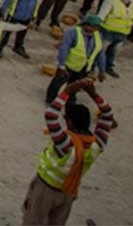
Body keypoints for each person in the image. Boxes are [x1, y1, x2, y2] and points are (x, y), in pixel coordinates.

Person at [21, 79, 114, 225]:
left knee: (33, 221)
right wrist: (94, 94)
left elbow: (51, 115)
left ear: (70, 122)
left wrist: (66, 91)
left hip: (46, 188)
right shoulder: (96, 144)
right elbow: (107, 115)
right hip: (68, 191)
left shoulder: (66, 143)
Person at [45, 15, 106, 104]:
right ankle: (50, 99)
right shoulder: (73, 32)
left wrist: (102, 70)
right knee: (57, 83)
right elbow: (64, 48)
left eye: (96, 27)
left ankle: (70, 101)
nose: (94, 29)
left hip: (83, 67)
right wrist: (61, 65)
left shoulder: (98, 35)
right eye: (92, 27)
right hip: (68, 65)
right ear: (86, 25)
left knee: (75, 86)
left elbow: (100, 53)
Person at [96, 0, 133, 79]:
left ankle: (108, 67)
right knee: (101, 51)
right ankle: (97, 69)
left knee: (113, 52)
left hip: (122, 34)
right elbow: (101, 15)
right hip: (107, 32)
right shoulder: (110, 1)